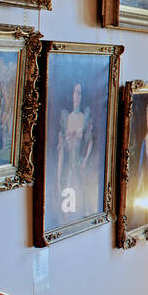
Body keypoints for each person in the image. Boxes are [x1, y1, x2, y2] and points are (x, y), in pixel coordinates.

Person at [56, 82, 95, 223]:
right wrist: (58, 176)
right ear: (72, 95)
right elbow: (61, 149)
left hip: (79, 166)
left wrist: (85, 159)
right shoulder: (67, 118)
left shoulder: (84, 118)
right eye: (76, 92)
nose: (78, 96)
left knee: (80, 201)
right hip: (68, 167)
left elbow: (89, 141)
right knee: (67, 202)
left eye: (80, 93)